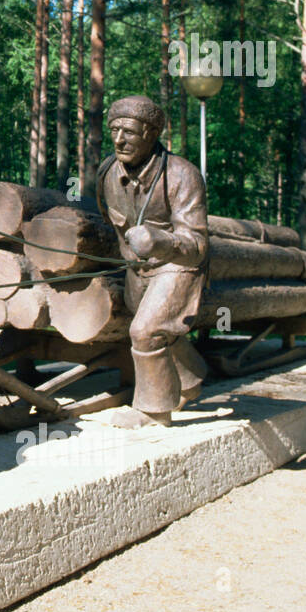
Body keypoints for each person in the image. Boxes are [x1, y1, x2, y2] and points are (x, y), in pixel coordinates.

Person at [96, 95, 209, 427]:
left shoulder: (182, 175)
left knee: (145, 331)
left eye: (128, 132)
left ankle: (153, 410)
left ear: (151, 133)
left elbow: (197, 244)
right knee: (162, 331)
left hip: (177, 265)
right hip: (137, 269)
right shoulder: (105, 172)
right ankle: (190, 379)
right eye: (114, 130)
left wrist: (159, 241)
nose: (118, 140)